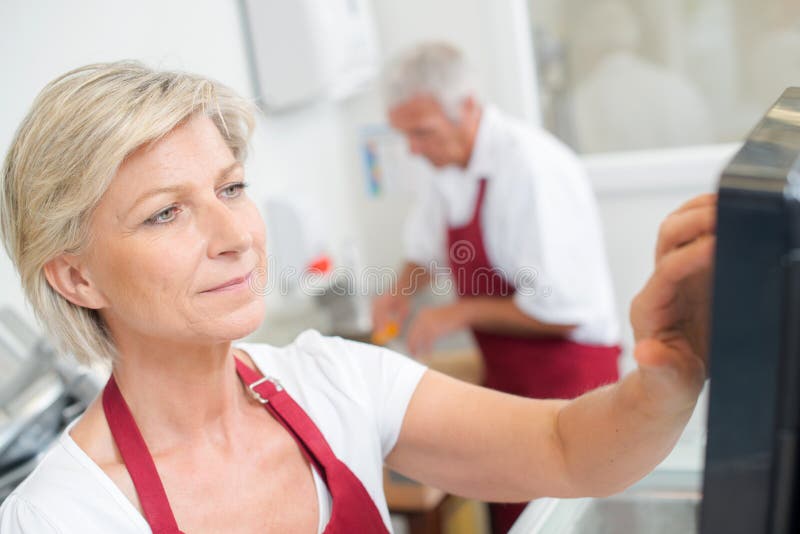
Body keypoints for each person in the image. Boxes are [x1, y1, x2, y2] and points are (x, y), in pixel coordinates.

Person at [0, 61, 715, 533]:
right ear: (76, 277)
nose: (236, 236)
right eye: (166, 212)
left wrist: (674, 364)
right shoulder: (62, 517)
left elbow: (568, 450)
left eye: (232, 188)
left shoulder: (338, 382)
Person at [373, 42, 622, 530]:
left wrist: (459, 312)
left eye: (422, 133)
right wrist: (400, 289)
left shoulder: (531, 170)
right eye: (406, 135)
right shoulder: (444, 164)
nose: (414, 150)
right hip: (511, 385)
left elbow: (564, 310)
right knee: (514, 513)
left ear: (467, 107)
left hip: (570, 385)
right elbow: (424, 248)